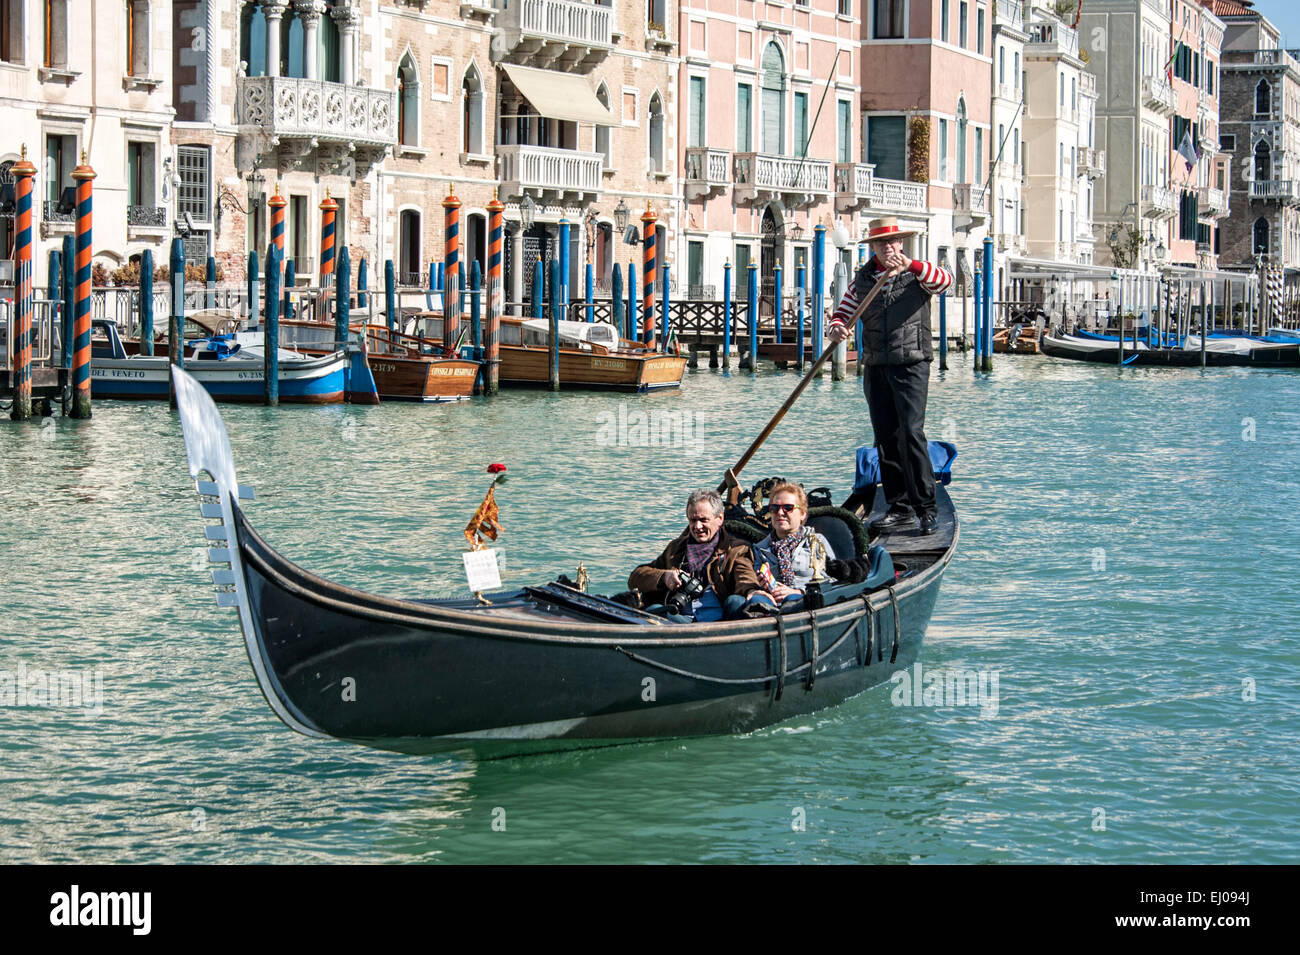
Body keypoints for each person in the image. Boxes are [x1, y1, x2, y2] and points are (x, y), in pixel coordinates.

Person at [828, 216, 953, 536]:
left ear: (901, 244)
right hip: (876, 364)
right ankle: (898, 507)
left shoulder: (918, 274)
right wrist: (837, 327)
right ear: (873, 247)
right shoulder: (864, 279)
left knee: (910, 433)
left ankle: (925, 507)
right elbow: (844, 311)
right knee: (885, 437)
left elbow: (945, 281)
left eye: (893, 242)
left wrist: (911, 264)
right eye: (882, 243)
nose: (889, 248)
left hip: (911, 362)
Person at [628, 488, 761, 622]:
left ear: (720, 518)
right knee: (654, 611)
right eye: (693, 520)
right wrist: (664, 577)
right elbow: (636, 577)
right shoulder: (676, 549)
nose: (697, 526)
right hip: (683, 620)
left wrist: (751, 590)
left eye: (703, 520)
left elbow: (745, 575)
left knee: (736, 601)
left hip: (721, 622)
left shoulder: (736, 549)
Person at [746, 483, 836, 614]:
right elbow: (752, 582)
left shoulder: (816, 542)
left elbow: (833, 580)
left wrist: (798, 591)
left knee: (793, 599)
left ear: (803, 514)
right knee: (756, 601)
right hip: (771, 602)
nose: (780, 513)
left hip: (806, 604)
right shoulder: (759, 549)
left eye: (788, 508)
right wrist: (762, 587)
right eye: (774, 508)